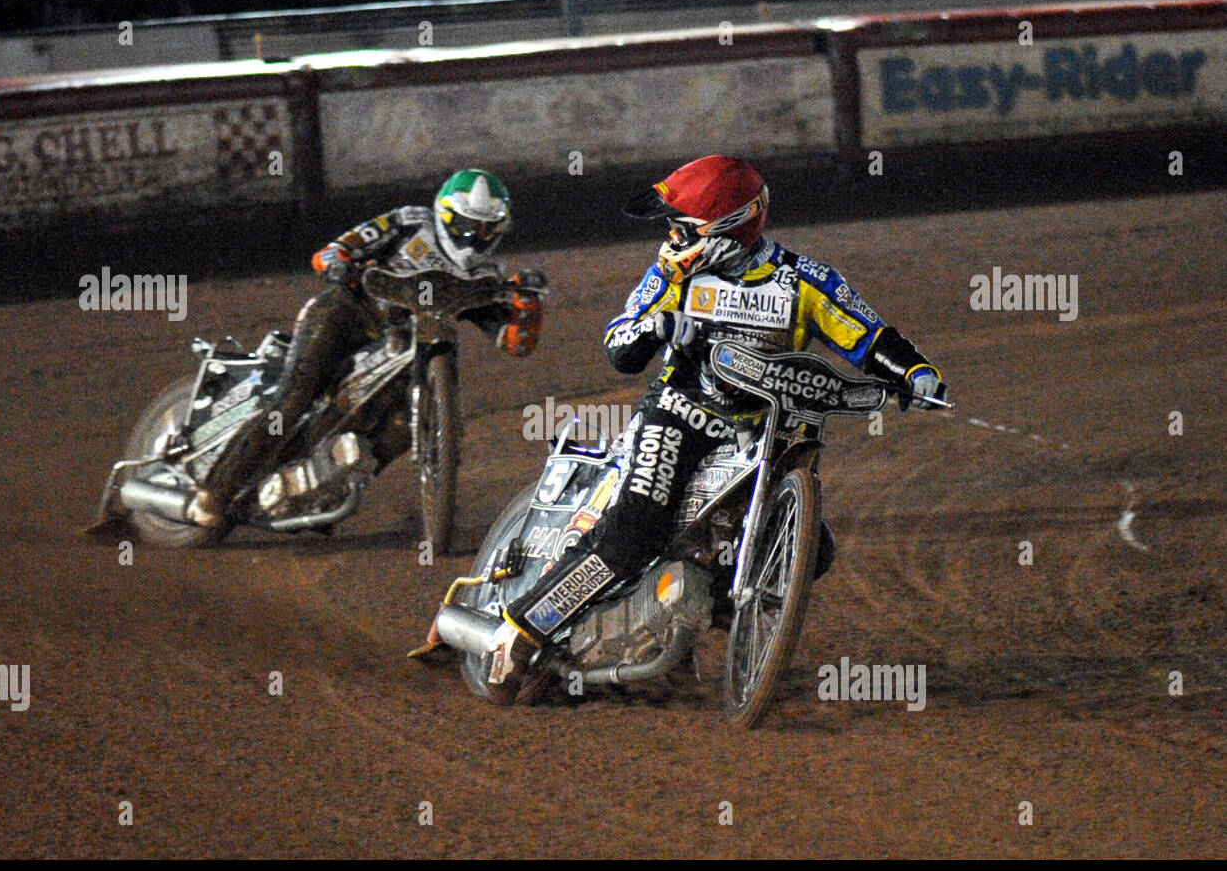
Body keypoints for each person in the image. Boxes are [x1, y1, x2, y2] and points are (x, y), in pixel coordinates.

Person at [484, 154, 947, 698]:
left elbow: (870, 337)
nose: (672, 241)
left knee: (811, 550)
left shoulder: (807, 282)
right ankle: (519, 631)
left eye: (683, 230)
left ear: (729, 228)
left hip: (766, 432)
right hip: (680, 415)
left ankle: (689, 622)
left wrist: (916, 373)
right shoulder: (674, 276)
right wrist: (656, 325)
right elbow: (620, 350)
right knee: (638, 527)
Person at [185, 168, 545, 527]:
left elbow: (515, 343)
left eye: (486, 229)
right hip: (347, 313)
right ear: (444, 214)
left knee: (404, 425)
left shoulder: (483, 278)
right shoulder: (409, 223)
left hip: (410, 346)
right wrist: (339, 264)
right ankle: (213, 493)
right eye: (467, 225)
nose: (474, 237)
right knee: (294, 398)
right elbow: (333, 250)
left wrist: (528, 304)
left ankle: (324, 489)